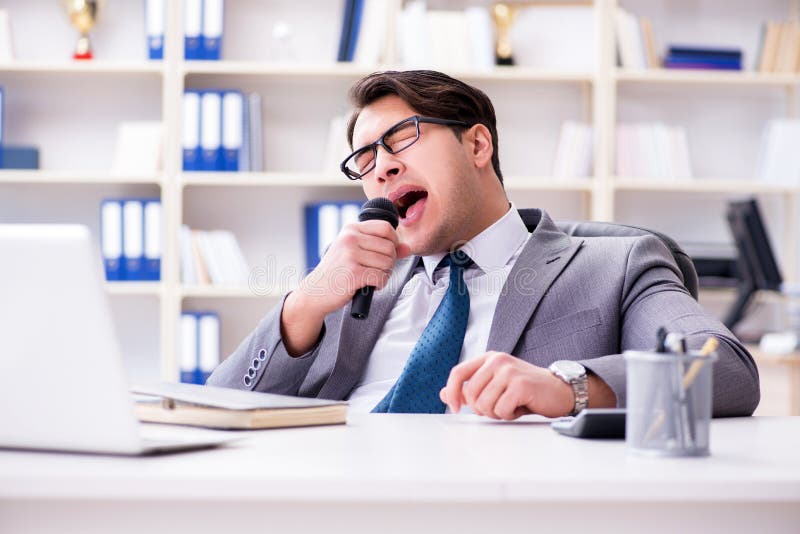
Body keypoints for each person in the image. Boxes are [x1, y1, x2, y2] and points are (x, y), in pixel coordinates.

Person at [208, 70, 759, 419]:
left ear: (477, 143)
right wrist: (303, 303)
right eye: (365, 160)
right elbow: (220, 405)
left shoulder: (615, 264)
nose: (383, 168)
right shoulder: (355, 289)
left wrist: (568, 387)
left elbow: (725, 369)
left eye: (401, 139)